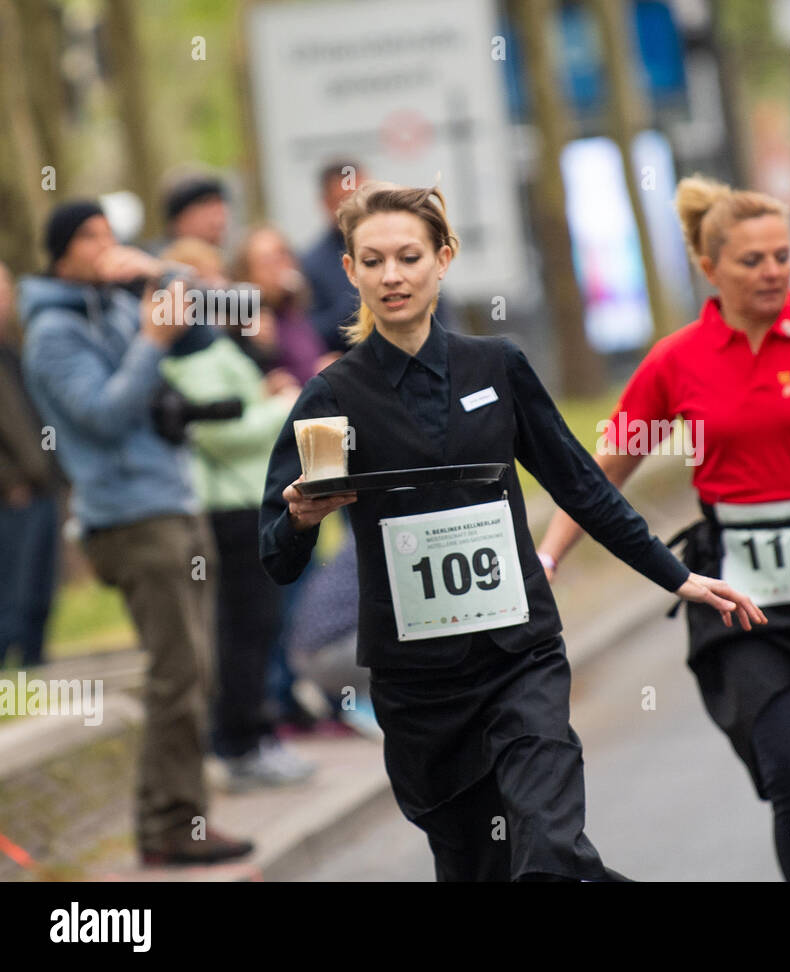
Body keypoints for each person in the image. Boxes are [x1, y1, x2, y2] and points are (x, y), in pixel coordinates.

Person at [259, 181, 764, 882]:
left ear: (444, 257)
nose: (392, 275)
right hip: (416, 683)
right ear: (349, 272)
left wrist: (676, 575)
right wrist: (299, 519)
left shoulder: (496, 366)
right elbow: (276, 552)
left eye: (409, 256)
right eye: (372, 261)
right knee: (477, 868)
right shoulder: (333, 396)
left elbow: (582, 485)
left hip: (517, 655)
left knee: (548, 852)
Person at [539, 175, 790, 882]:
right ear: (709, 267)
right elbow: (601, 475)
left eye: (782, 255)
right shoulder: (676, 360)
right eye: (753, 260)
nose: (774, 270)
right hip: (741, 598)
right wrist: (550, 558)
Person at [20, 201, 253, 866]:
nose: (105, 245)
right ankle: (171, 826)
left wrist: (165, 271)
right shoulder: (52, 335)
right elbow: (103, 415)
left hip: (174, 500)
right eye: (89, 235)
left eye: (109, 233)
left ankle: (175, 820)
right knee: (176, 673)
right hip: (127, 517)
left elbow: (217, 330)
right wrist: (151, 340)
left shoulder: (121, 301)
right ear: (61, 253)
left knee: (194, 669)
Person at [157, 238, 317, 791]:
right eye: (203, 283)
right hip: (229, 506)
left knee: (262, 624)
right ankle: (242, 744)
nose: (220, 291)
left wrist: (263, 378)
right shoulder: (183, 353)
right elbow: (221, 434)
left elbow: (242, 404)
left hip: (254, 498)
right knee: (243, 629)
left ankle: (259, 734)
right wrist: (279, 405)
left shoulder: (215, 342)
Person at [0, 260, 63, 669]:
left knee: (40, 589)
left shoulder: (12, 346)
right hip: (12, 494)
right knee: (12, 591)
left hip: (43, 486)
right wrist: (8, 480)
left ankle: (32, 668)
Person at [231, 225, 334, 386]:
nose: (279, 266)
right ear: (247, 274)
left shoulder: (294, 312)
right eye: (267, 262)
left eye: (282, 255)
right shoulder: (250, 321)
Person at [300, 160, 368, 354]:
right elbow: (308, 331)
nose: (356, 209)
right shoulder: (311, 265)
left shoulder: (396, 245)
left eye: (362, 198)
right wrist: (357, 306)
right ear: (326, 203)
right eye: (345, 200)